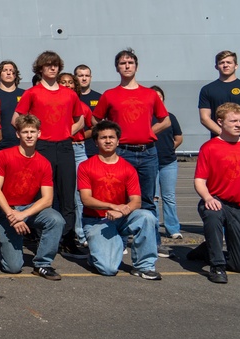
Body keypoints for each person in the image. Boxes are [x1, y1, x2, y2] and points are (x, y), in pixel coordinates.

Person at [92, 49, 170, 253]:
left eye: (130, 62)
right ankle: (121, 241)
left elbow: (165, 120)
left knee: (148, 200)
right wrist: (110, 137)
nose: (127, 66)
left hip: (147, 153)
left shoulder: (150, 94)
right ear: (117, 68)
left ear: (136, 66)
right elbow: (95, 119)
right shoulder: (109, 95)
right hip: (122, 152)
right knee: (120, 199)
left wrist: (148, 132)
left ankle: (153, 244)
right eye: (122, 63)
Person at [12, 51, 86, 258]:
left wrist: (66, 132)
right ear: (40, 69)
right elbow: (16, 119)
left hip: (65, 147)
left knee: (68, 194)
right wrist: (32, 136)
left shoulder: (69, 94)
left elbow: (80, 119)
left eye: (55, 65)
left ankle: (68, 239)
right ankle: (42, 238)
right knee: (42, 194)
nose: (52, 68)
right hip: (42, 147)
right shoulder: (32, 93)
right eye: (48, 65)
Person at [197, 51, 240, 243]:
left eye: (229, 62)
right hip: (219, 148)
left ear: (236, 65)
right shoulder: (208, 90)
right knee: (219, 187)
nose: (225, 65)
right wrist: (224, 134)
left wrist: (236, 131)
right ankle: (223, 229)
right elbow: (204, 117)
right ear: (216, 66)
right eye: (221, 62)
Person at [191, 103, 240, 283]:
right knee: (213, 214)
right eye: (233, 121)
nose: (238, 124)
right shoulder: (209, 148)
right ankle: (217, 267)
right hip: (216, 201)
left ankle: (206, 250)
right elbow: (199, 181)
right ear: (220, 122)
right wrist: (208, 198)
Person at [77, 120, 161, 280]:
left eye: (111, 137)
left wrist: (122, 212)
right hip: (96, 221)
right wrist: (113, 207)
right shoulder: (85, 166)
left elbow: (136, 201)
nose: (108, 141)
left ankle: (144, 266)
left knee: (147, 216)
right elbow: (86, 200)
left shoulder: (128, 168)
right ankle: (95, 256)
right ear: (96, 142)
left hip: (120, 218)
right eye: (103, 138)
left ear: (118, 141)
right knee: (108, 269)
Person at [0, 114, 65, 280]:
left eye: (32, 131)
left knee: (56, 219)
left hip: (28, 210)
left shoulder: (44, 163)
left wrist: (23, 215)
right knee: (13, 268)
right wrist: (13, 216)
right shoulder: (4, 155)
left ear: (39, 133)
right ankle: (2, 245)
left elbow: (47, 199)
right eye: (25, 132)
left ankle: (42, 264)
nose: (29, 135)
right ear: (18, 134)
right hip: (6, 211)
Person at [59, 72, 93, 246]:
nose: (67, 85)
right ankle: (61, 233)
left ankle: (80, 233)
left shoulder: (83, 107)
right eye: (63, 82)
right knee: (61, 193)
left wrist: (79, 137)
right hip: (59, 148)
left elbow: (93, 127)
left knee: (79, 193)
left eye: (70, 82)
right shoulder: (56, 104)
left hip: (78, 150)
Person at [152, 86, 183, 241]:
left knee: (169, 197)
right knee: (153, 198)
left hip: (168, 163)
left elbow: (178, 138)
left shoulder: (170, 117)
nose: (157, 98)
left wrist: (170, 148)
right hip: (151, 163)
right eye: (154, 96)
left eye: (159, 96)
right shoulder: (145, 117)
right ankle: (153, 228)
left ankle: (173, 229)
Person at [0, 60, 23, 150]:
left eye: (11, 70)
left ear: (15, 75)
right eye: (5, 70)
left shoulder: (25, 94)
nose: (8, 73)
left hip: (22, 142)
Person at [74, 64, 101, 157]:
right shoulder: (71, 97)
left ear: (90, 77)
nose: (84, 79)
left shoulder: (99, 98)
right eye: (81, 76)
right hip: (74, 145)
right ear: (75, 78)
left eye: (87, 76)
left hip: (93, 147)